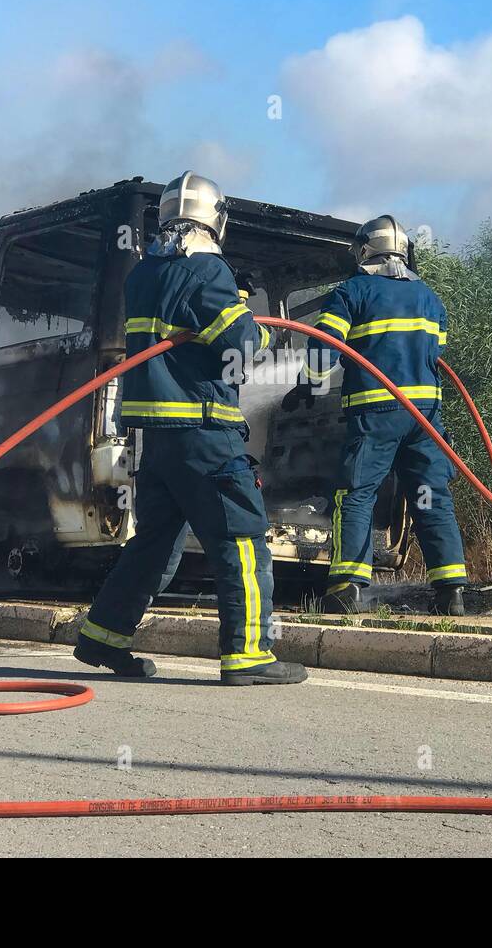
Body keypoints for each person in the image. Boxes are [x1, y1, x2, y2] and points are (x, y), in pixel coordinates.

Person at [75, 171, 308, 684]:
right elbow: (241, 348)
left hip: (155, 441)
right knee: (243, 541)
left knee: (155, 542)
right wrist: (246, 311)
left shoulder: (142, 275)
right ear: (215, 220)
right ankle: (248, 656)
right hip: (205, 432)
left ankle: (102, 636)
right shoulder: (210, 271)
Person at [283, 215, 469, 616]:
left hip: (376, 413)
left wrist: (307, 385)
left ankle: (346, 587)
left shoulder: (353, 291)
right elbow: (434, 354)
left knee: (356, 493)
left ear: (365, 250)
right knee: (431, 494)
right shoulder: (430, 298)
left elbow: (323, 349)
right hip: (425, 418)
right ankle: (451, 590)